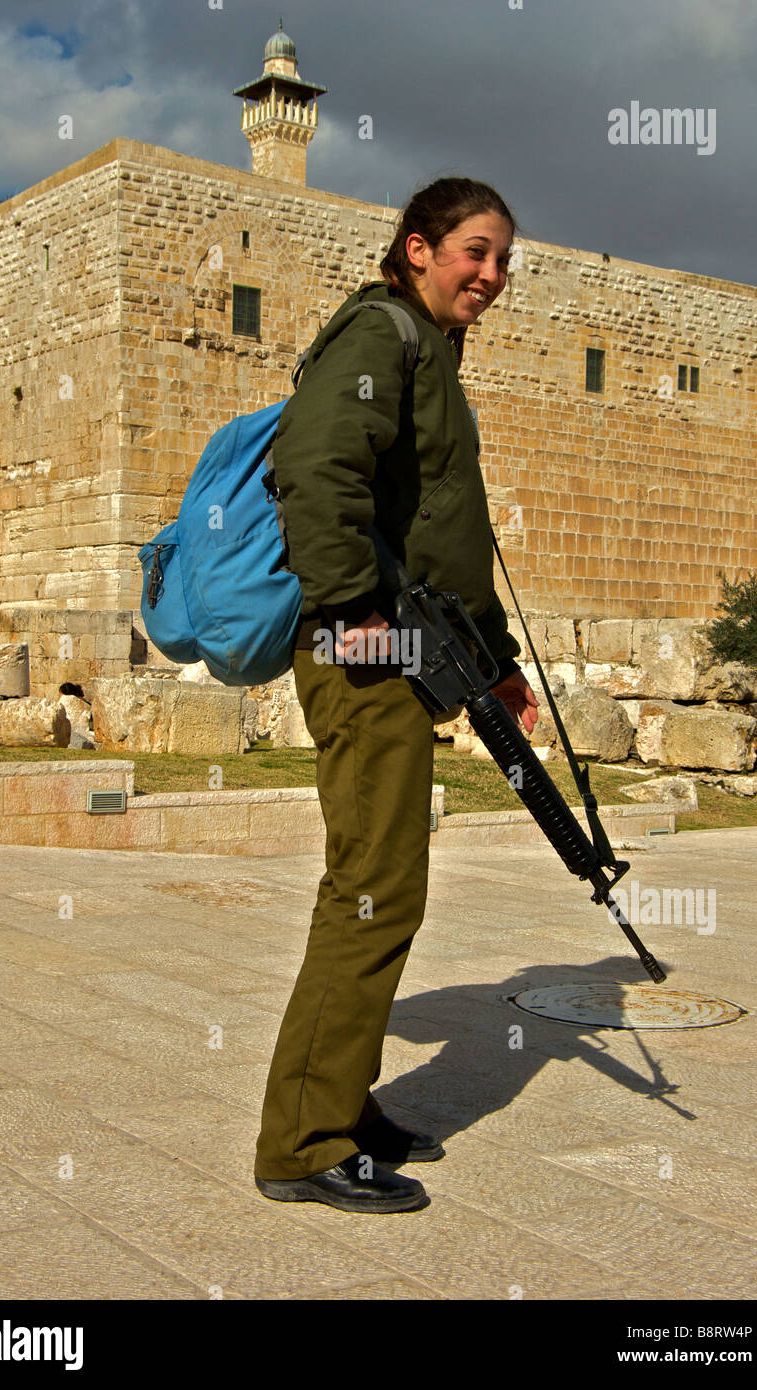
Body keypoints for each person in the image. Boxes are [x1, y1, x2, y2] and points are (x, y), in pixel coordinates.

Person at [253, 177, 539, 1214]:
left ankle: (344, 1100)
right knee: (370, 890)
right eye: (475, 251)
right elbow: (314, 469)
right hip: (364, 654)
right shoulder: (381, 336)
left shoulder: (429, 354)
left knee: (389, 887)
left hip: (407, 650)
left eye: (504, 260)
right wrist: (352, 617)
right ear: (417, 247)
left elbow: (442, 536)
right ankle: (303, 1140)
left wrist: (494, 658)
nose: (492, 276)